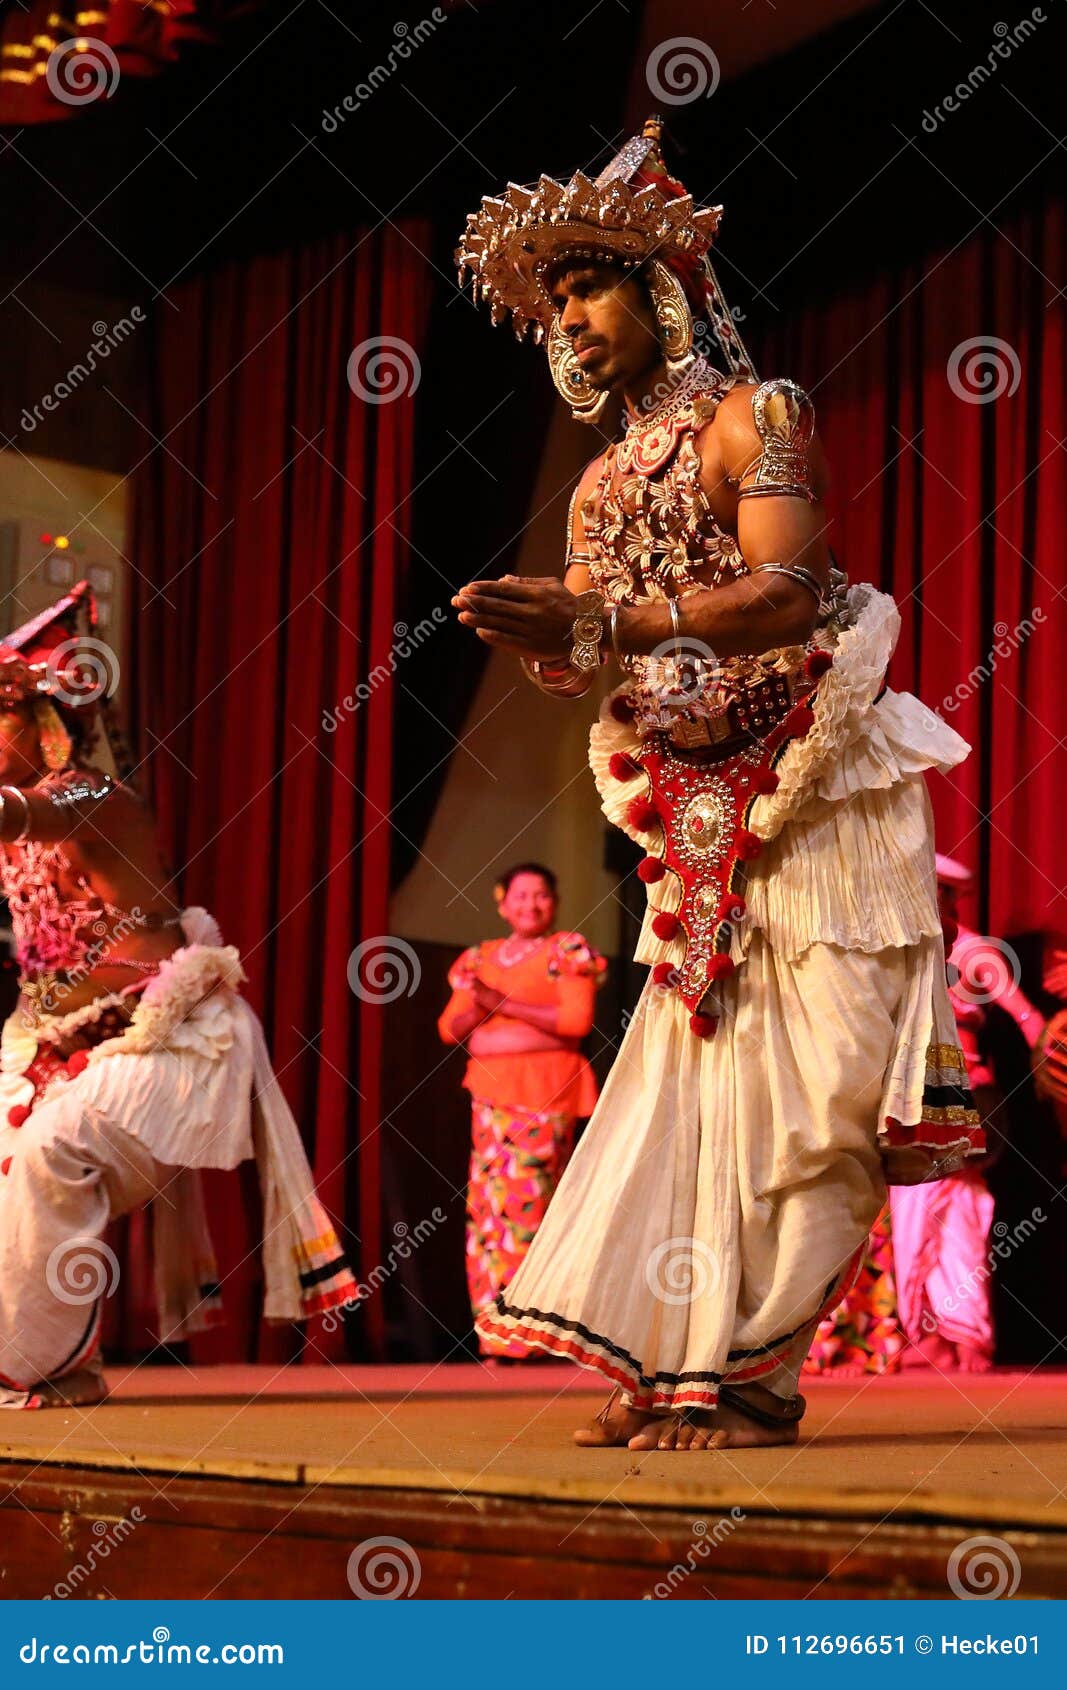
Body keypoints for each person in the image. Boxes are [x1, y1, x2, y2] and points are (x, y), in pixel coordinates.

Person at [452, 117, 982, 1450]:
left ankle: (748, 1366)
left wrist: (600, 624)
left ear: (665, 291)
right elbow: (586, 663)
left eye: (588, 288)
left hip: (819, 777)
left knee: (824, 1090)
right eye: (555, 300)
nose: (568, 320)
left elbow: (786, 592)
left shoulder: (762, 414)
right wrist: (544, 640)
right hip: (690, 810)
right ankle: (678, 1355)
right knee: (700, 1095)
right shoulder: (587, 493)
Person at [0, 582, 356, 1408]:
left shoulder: (93, 799)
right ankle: (62, 1362)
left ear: (53, 723)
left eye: (4, 717)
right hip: (64, 1042)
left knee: (50, 1150)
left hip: (175, 1041)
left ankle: (39, 1364)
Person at [438, 863, 605, 1357]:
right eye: (521, 895)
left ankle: (534, 1332)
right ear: (502, 902)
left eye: (541, 896)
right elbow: (451, 1028)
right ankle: (496, 1329)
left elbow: (575, 1021)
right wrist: (485, 1005)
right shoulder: (479, 957)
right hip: (490, 1097)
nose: (531, 904)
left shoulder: (566, 951)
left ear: (553, 902)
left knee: (528, 1207)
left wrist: (500, 1002)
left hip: (544, 1094)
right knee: (488, 1214)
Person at [890, 854, 1044, 1372]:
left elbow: (1026, 1018)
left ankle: (965, 1336)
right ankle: (924, 1334)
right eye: (931, 888)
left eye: (946, 892)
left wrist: (1038, 1032)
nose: (939, 900)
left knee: (963, 1215)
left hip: (964, 1101)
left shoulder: (974, 950)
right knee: (911, 1214)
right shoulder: (894, 945)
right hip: (905, 1103)